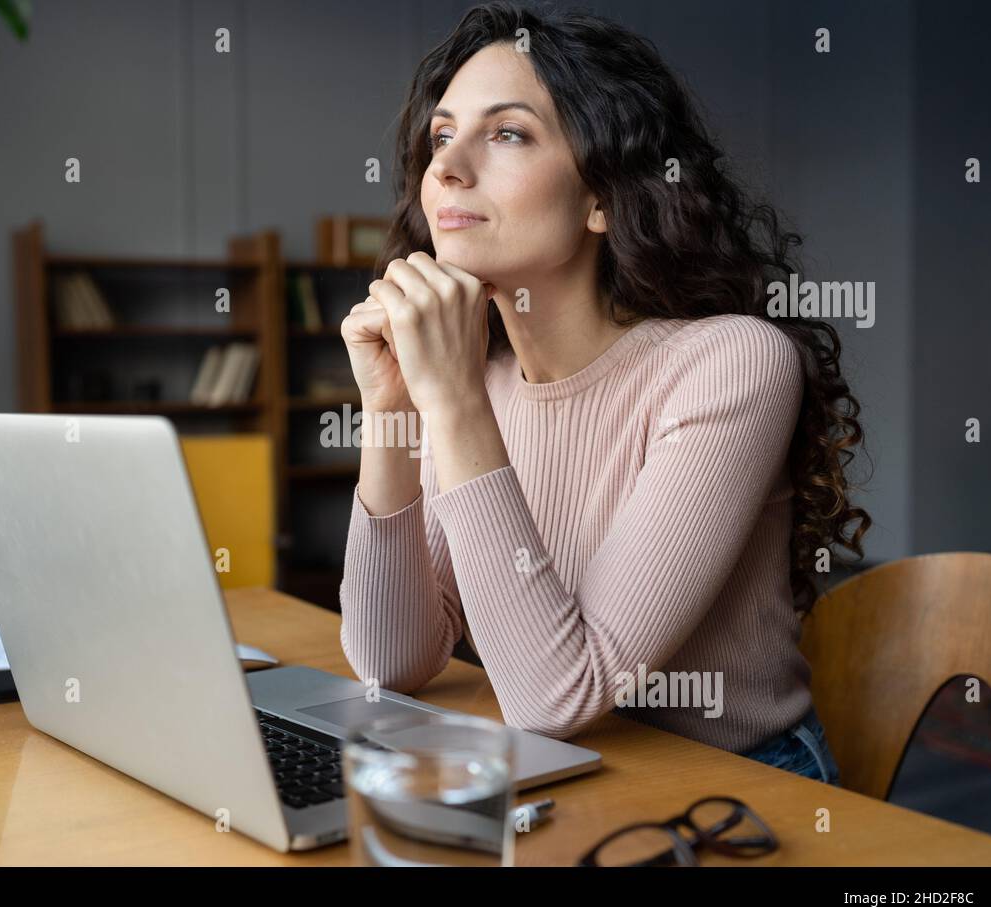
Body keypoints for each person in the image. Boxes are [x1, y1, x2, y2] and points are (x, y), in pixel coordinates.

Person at [337, 2, 871, 784]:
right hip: (561, 770)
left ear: (603, 198)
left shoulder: (729, 364)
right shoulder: (477, 381)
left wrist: (449, 405)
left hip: (733, 786)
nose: (445, 167)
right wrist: (391, 412)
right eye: (442, 135)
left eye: (509, 133)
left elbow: (562, 694)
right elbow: (392, 663)